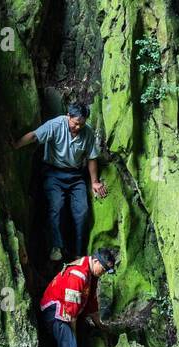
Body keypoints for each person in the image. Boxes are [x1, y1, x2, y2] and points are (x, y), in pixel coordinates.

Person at [13, 102, 108, 263]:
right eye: (75, 123)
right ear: (68, 116)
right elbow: (35, 136)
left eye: (81, 124)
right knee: (56, 206)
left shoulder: (88, 132)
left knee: (82, 210)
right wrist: (16, 145)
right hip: (53, 173)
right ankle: (56, 247)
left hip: (76, 176)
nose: (78, 127)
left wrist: (94, 182)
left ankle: (78, 253)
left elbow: (92, 157)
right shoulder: (56, 125)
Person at [39, 248, 117, 347]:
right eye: (103, 269)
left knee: (82, 335)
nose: (103, 273)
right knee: (68, 339)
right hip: (54, 309)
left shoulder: (92, 273)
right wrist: (73, 331)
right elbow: (70, 312)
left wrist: (99, 325)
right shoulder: (78, 275)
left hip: (68, 308)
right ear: (95, 261)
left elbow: (92, 302)